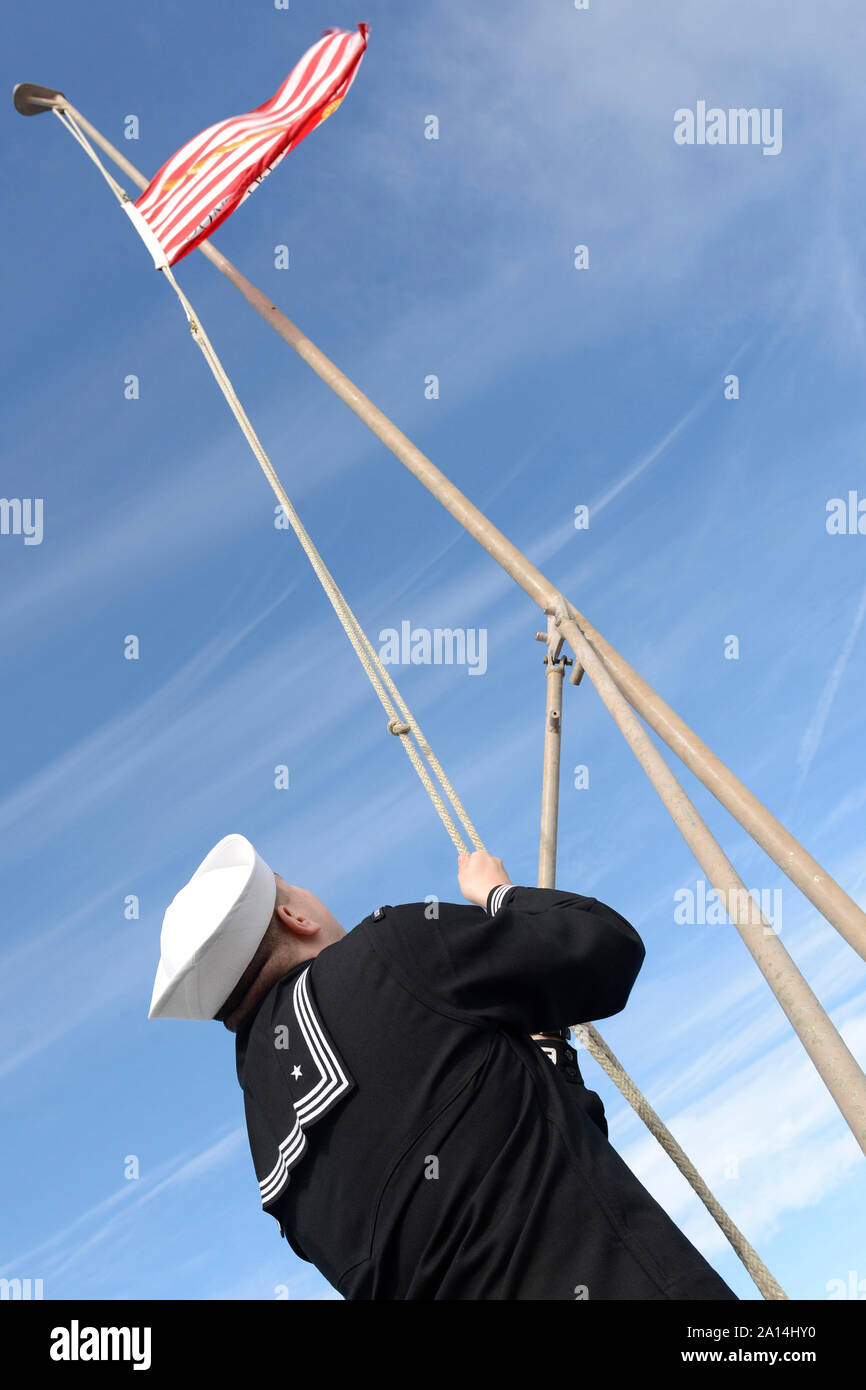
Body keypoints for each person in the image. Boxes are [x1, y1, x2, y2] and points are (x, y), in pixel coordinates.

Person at [149, 833, 737, 1301]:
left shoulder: (268, 1152)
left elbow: (497, 1177)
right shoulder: (388, 951)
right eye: (291, 886)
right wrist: (500, 898)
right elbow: (604, 946)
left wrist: (543, 1055)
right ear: (294, 917)